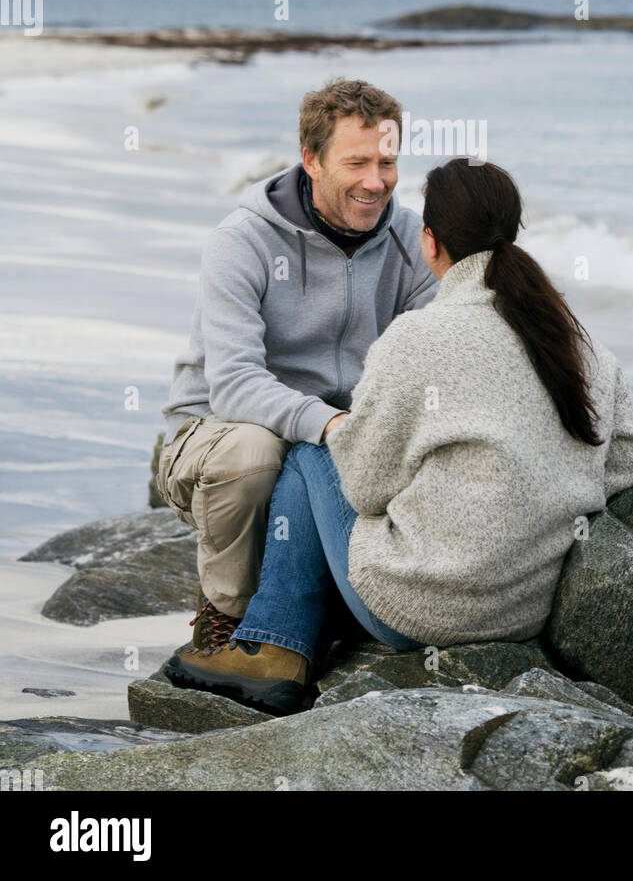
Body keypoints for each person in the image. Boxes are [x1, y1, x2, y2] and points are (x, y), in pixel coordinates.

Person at [164, 157, 633, 715]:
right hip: (524, 609)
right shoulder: (574, 339)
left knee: (311, 448)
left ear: (429, 241)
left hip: (416, 608)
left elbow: (366, 485)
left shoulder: (418, 338)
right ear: (513, 233)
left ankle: (275, 647)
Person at [156, 78, 437, 669]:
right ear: (311, 160)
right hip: (219, 434)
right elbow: (233, 383)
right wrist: (333, 425)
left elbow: (433, 356)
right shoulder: (243, 240)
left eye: (388, 162)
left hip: (340, 440)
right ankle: (226, 612)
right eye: (356, 162)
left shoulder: (412, 238)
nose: (376, 181)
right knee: (258, 451)